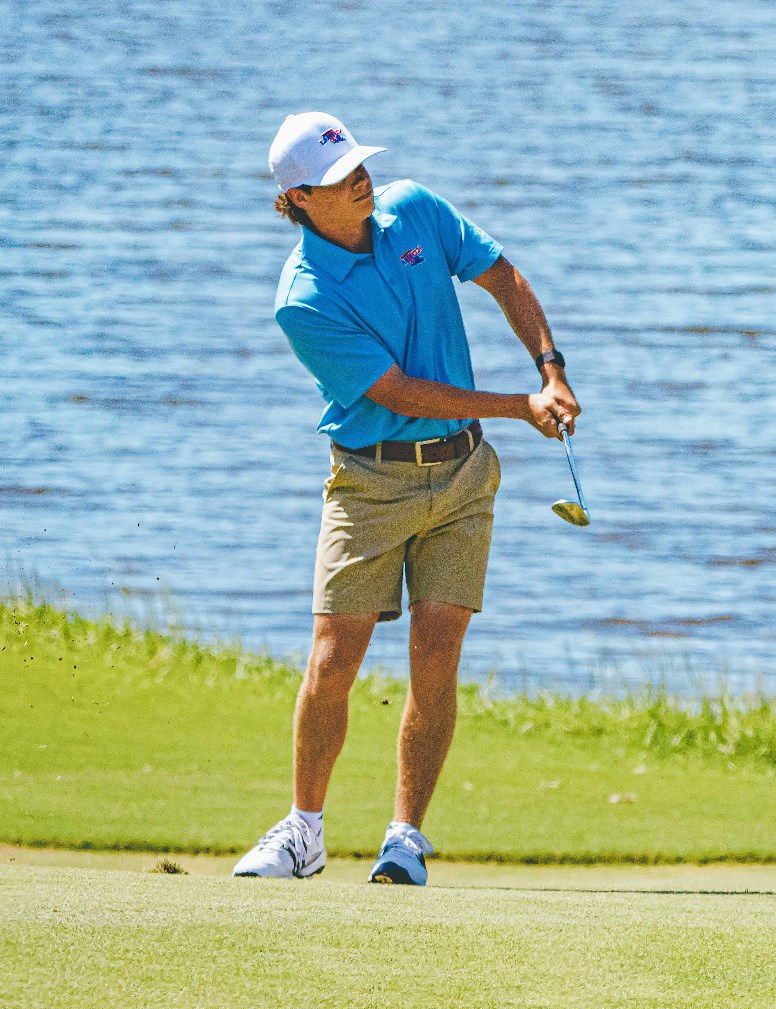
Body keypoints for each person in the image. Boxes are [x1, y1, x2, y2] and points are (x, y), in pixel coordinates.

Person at [232, 112, 579, 885]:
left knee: (437, 654)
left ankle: (404, 839)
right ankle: (304, 832)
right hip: (371, 484)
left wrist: (550, 366)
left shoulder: (414, 208)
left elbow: (502, 274)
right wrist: (519, 406)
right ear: (298, 200)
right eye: (337, 177)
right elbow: (400, 393)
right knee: (333, 659)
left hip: (463, 477)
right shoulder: (303, 297)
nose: (360, 178)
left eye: (358, 164)